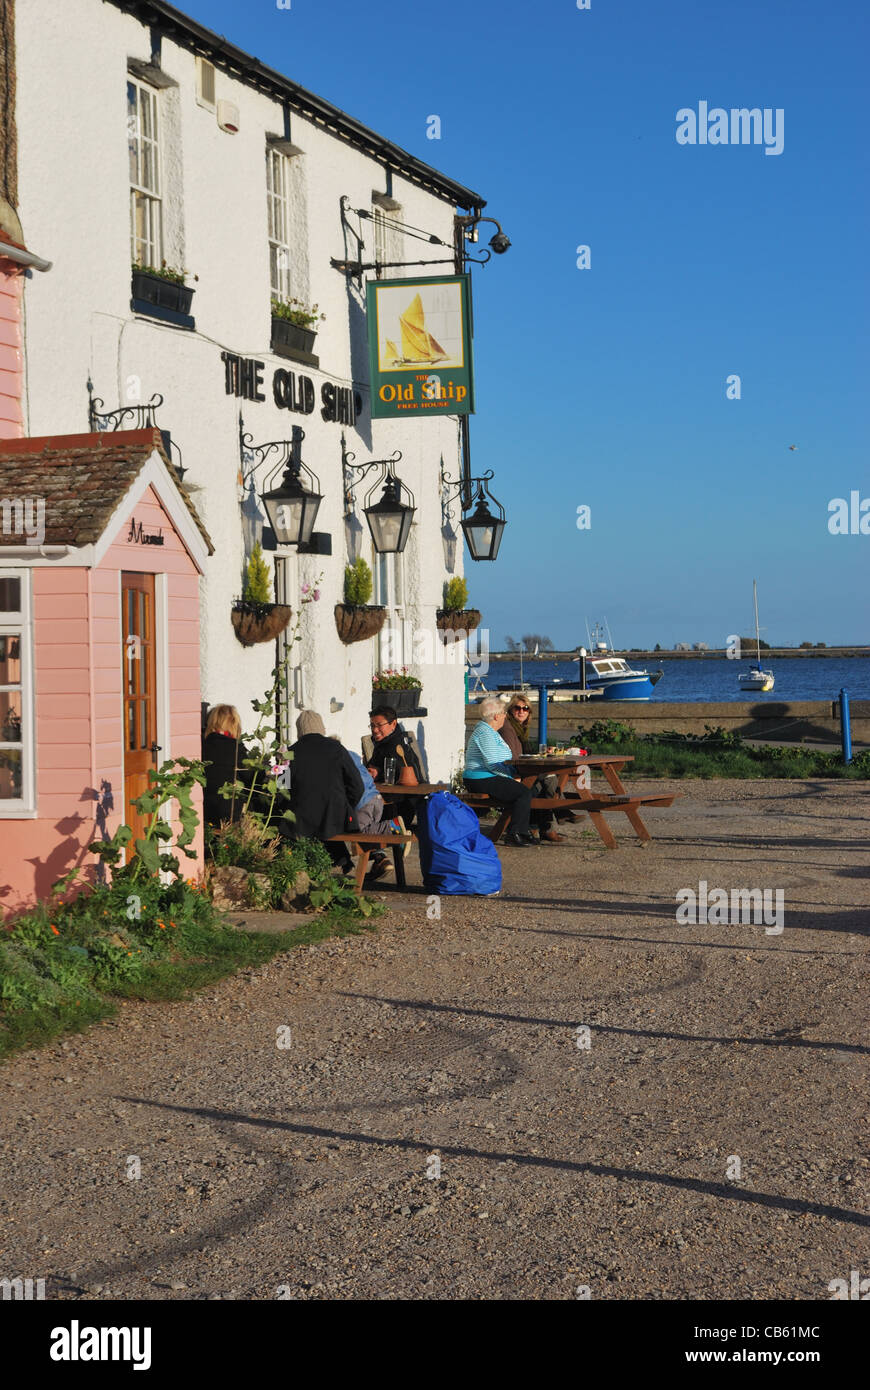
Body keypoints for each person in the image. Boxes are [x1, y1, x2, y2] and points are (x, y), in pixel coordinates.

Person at [289, 710, 363, 873]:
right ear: (321, 728)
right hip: (334, 815)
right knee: (326, 814)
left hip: (301, 818)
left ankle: (337, 859)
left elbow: (282, 789)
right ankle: (341, 858)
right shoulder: (336, 748)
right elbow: (357, 785)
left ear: (299, 730)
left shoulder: (290, 752)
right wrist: (346, 805)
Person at [462, 696, 534, 846]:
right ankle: (514, 834)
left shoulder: (491, 732)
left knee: (526, 790)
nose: (505, 716)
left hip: (488, 775)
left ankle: (522, 831)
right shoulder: (484, 733)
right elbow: (492, 764)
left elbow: (501, 759)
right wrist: (511, 776)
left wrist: (511, 774)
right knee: (523, 792)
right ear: (496, 716)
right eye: (503, 713)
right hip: (480, 777)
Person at [332, 737, 401, 884]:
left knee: (360, 831)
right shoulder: (353, 755)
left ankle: (392, 827)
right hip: (376, 799)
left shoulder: (335, 760)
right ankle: (380, 860)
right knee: (371, 832)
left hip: (363, 802)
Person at [502, 694, 564, 843]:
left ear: (529, 712)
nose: (521, 711)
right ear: (511, 710)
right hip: (512, 772)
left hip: (521, 770)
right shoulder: (508, 729)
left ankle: (541, 825)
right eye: (517, 708)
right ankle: (554, 819)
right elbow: (514, 757)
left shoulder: (521, 729)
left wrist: (541, 754)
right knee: (549, 779)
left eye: (526, 708)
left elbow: (524, 754)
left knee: (546, 781)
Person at [367, 705, 423, 829]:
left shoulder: (397, 745)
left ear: (393, 724)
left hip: (401, 802)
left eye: (379, 725)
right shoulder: (384, 742)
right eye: (372, 725)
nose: (375, 730)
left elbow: (401, 773)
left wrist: (378, 772)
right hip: (392, 799)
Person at [202, 704, 254, 827]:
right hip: (231, 814)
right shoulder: (235, 749)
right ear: (233, 724)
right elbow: (251, 778)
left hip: (206, 811)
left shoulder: (203, 745)